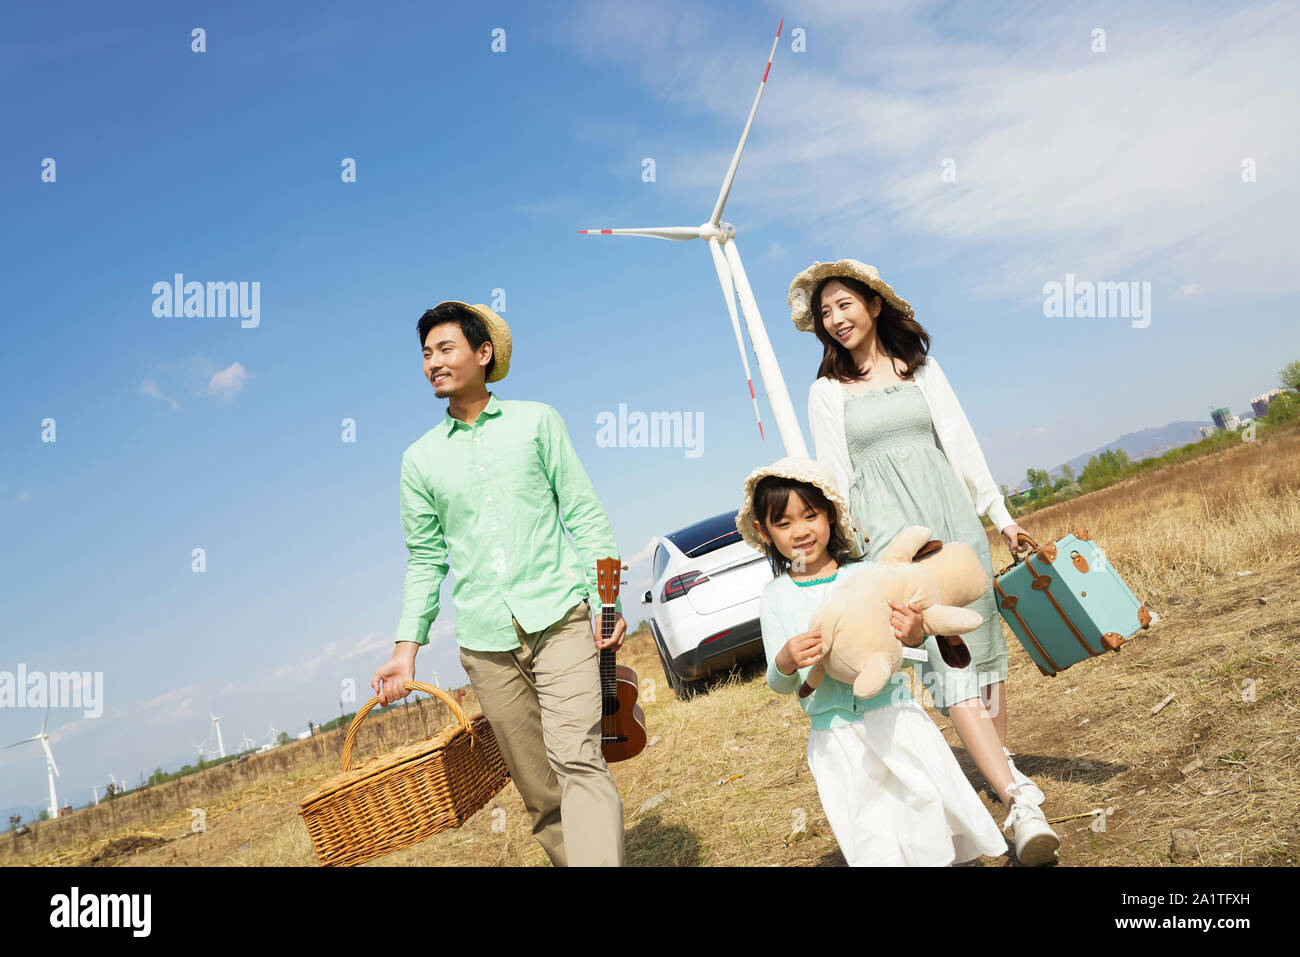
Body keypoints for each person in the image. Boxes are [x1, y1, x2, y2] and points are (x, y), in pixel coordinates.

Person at [790, 258, 1059, 864]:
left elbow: (961, 444)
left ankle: (999, 773)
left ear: (874, 304)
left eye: (843, 305)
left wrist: (1001, 516)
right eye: (824, 313)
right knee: (943, 659)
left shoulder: (922, 370)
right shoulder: (826, 392)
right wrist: (843, 555)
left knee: (983, 650)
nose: (834, 320)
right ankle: (1018, 798)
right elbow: (835, 474)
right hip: (892, 538)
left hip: (952, 519)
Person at [370, 300, 627, 867]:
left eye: (445, 349)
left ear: (483, 353)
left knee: (577, 759)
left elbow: (582, 512)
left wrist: (605, 602)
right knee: (540, 792)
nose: (433, 362)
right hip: (486, 644)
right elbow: (425, 559)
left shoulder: (538, 421)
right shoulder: (419, 460)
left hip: (560, 616)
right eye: (425, 354)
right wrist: (404, 650)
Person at [737, 456, 1015, 866]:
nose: (800, 531)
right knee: (870, 827)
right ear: (764, 531)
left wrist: (914, 634)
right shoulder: (776, 597)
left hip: (894, 716)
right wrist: (784, 661)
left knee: (923, 803)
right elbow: (781, 685)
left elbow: (906, 655)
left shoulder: (866, 576)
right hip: (836, 736)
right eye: (784, 523)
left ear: (830, 514)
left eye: (810, 515)